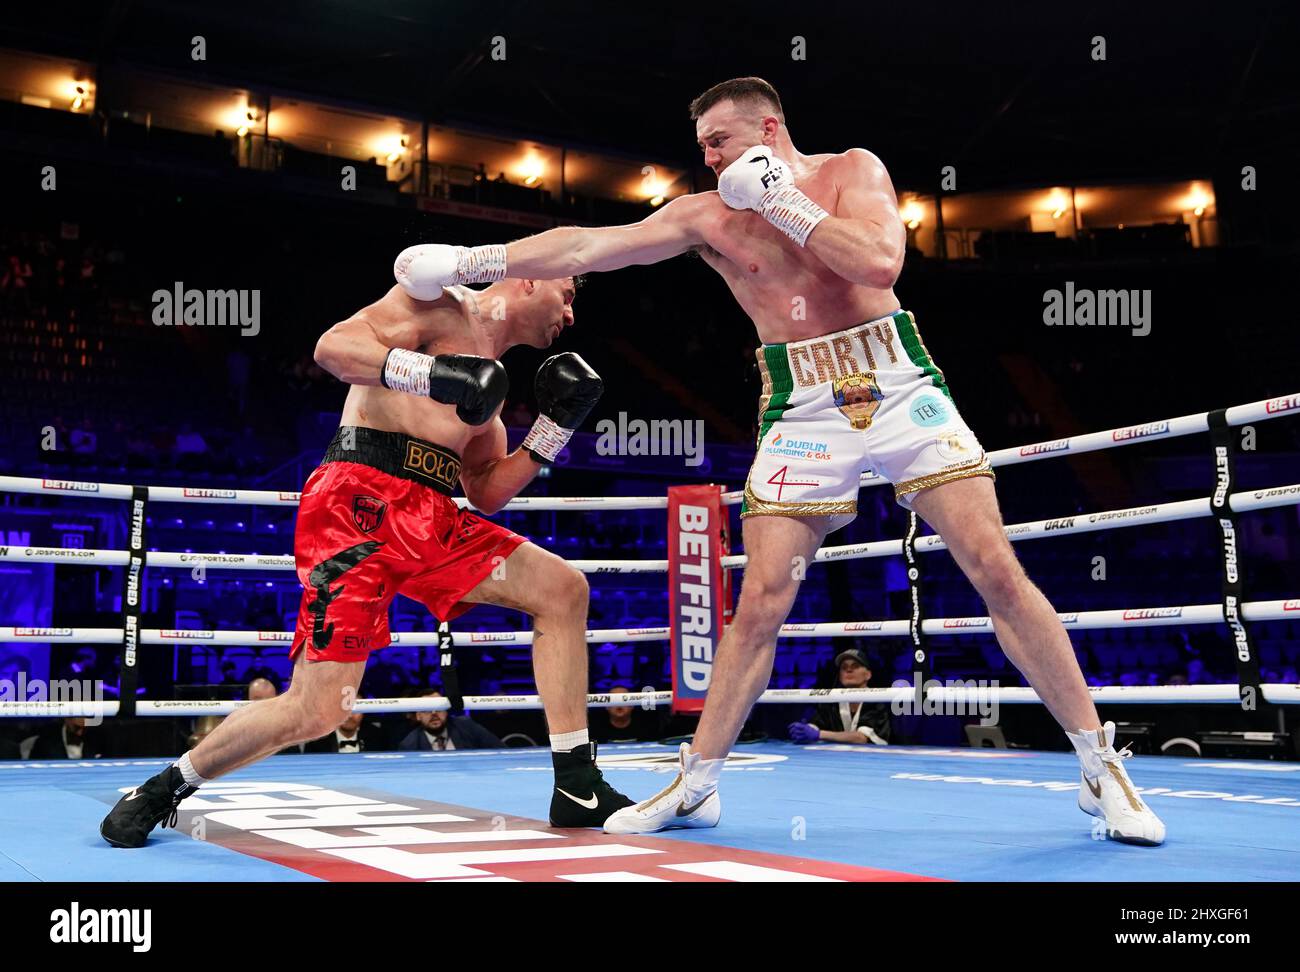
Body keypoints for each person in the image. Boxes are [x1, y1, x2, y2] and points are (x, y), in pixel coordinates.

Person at [391, 76, 1164, 846]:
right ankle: (698, 782)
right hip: (800, 400)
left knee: (994, 566)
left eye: (718, 142)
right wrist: (472, 258)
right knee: (761, 599)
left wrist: (782, 202)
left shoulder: (851, 170)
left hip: (896, 380)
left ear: (766, 129)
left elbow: (878, 265)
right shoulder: (706, 215)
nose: (706, 157)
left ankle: (1103, 769)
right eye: (699, 147)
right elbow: (596, 246)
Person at [100, 272, 632, 848]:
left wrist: (555, 428)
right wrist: (436, 372)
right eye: (569, 295)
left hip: (433, 518)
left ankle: (576, 782)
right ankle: (164, 786)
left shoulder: (492, 390)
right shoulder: (438, 308)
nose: (571, 316)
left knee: (562, 588)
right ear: (530, 280)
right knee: (319, 708)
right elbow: (333, 348)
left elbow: (485, 492)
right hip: (357, 506)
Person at [788, 648, 890, 745]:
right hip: (836, 759)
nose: (849, 670)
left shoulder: (877, 700)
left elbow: (861, 738)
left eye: (855, 666)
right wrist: (802, 730)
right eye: (844, 667)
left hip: (874, 759)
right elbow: (816, 724)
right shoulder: (831, 701)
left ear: (868, 674)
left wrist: (819, 734)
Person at [397, 691, 501, 751]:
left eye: (438, 707)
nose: (434, 713)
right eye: (427, 709)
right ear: (418, 716)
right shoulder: (409, 745)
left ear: (446, 711)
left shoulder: (466, 726)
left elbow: (500, 749)